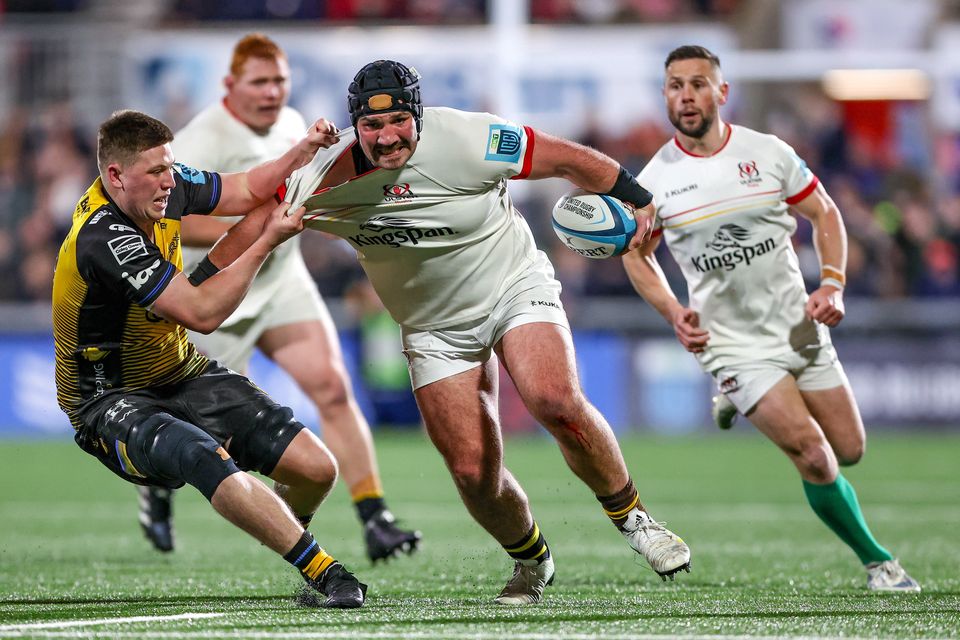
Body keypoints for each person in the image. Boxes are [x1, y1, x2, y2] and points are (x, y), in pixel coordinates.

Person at [201, 60, 692, 605]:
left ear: (418, 113)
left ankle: (635, 522)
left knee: (553, 399)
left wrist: (640, 199)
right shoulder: (319, 175)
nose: (386, 137)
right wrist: (191, 286)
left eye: (399, 122)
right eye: (371, 126)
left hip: (512, 284)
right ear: (354, 125)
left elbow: (569, 159)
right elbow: (246, 232)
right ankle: (531, 559)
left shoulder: (470, 137)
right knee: (471, 471)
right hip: (433, 328)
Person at [621, 45, 920, 592]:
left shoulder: (768, 153)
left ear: (721, 92)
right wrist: (672, 312)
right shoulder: (654, 182)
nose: (685, 95)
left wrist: (832, 282)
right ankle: (880, 563)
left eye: (697, 83)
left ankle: (734, 400)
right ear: (664, 94)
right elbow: (636, 255)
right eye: (674, 86)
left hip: (797, 326)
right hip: (729, 342)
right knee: (814, 453)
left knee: (850, 450)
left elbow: (825, 211)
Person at [53, 109, 368, 608]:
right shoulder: (103, 238)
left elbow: (245, 189)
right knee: (203, 455)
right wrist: (267, 240)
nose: (169, 182)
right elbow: (201, 315)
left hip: (178, 371)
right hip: (108, 400)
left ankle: (278, 529)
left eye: (170, 167)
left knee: (316, 468)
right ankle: (324, 572)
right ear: (115, 176)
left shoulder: (160, 185)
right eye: (155, 172)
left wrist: (302, 151)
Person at [136, 33, 421, 563]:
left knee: (333, 389)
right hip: (221, 288)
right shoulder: (202, 138)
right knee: (196, 429)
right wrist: (257, 223)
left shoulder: (293, 123)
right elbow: (168, 215)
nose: (272, 92)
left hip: (282, 278)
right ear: (230, 85)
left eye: (279, 80)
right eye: (260, 82)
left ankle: (374, 514)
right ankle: (153, 484)